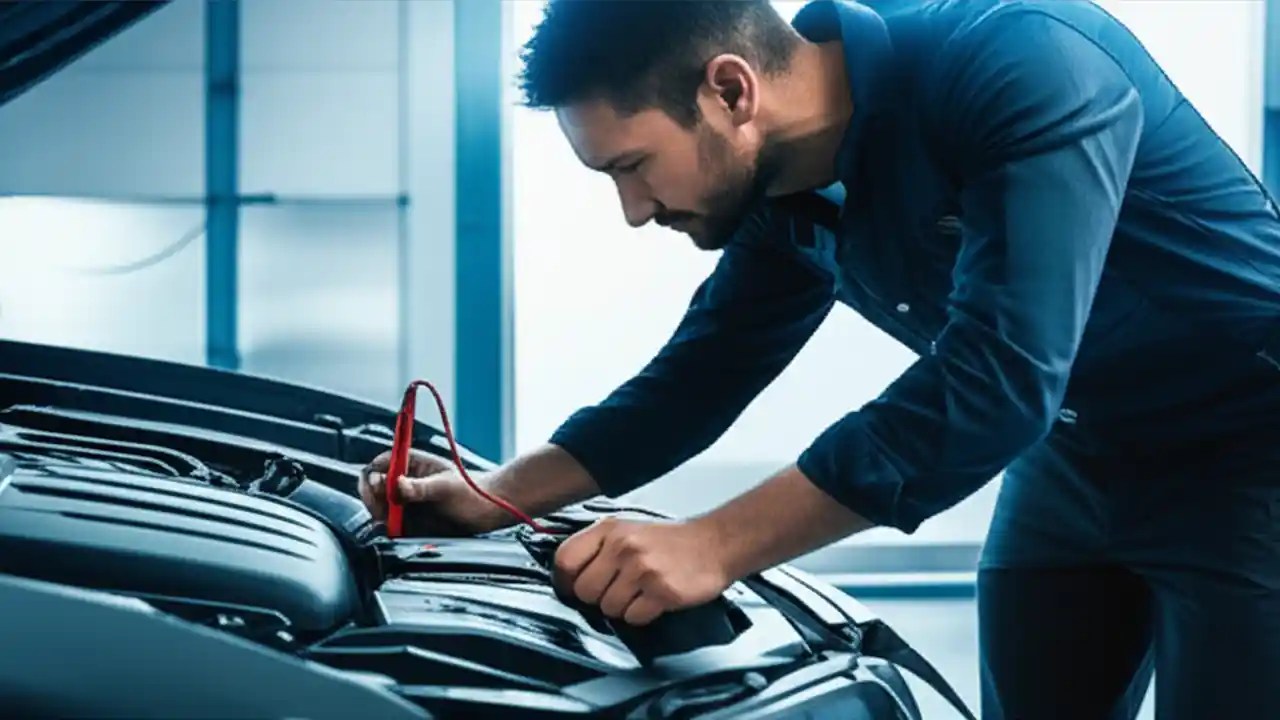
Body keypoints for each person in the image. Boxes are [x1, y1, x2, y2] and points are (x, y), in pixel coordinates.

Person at [360, 0, 1280, 717]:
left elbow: (997, 375)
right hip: (1074, 460)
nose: (634, 210)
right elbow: (703, 373)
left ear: (730, 92)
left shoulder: (1020, 63)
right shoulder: (789, 186)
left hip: (1249, 451)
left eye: (631, 166)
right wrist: (497, 498)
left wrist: (711, 545)